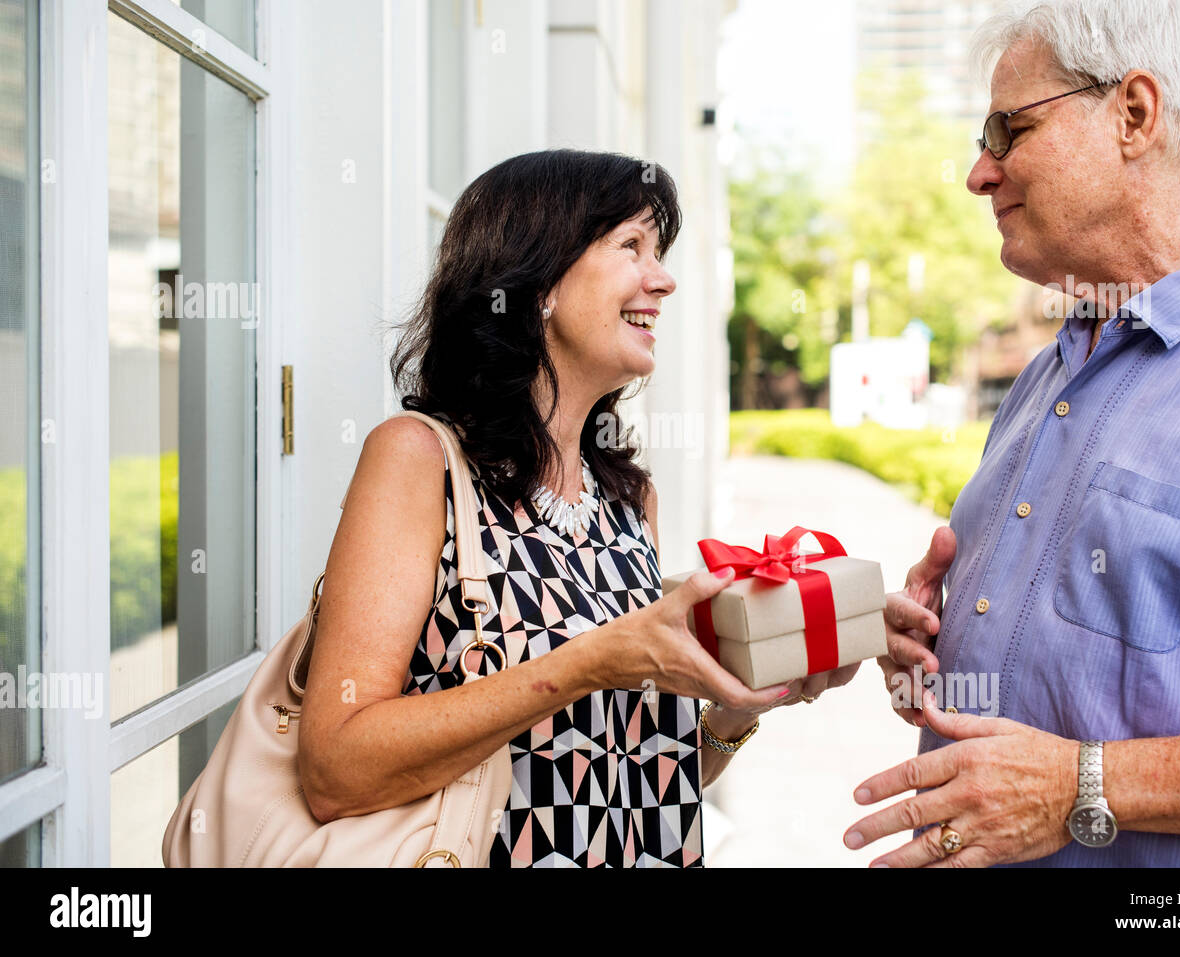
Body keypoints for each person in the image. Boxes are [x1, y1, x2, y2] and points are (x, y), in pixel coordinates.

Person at [298, 149, 859, 868]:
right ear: (537, 285)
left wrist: (738, 707)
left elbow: (638, 777)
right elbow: (335, 769)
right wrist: (590, 662)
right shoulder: (420, 461)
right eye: (632, 246)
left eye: (659, 251)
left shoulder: (630, 500)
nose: (664, 277)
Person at [845, 0, 1180, 867]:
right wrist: (940, 655)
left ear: (1134, 114)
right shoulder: (1044, 376)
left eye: (1005, 130)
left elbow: (1063, 772)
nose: (980, 172)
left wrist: (1080, 787)